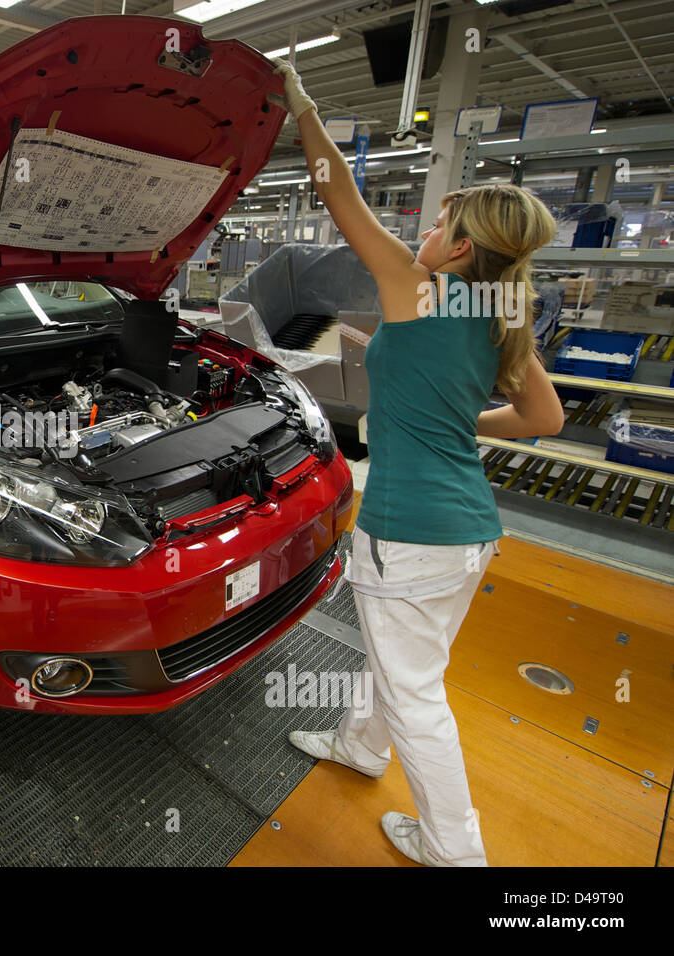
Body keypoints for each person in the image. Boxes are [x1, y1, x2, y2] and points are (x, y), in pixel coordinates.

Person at [270, 60, 565, 866]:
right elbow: (546, 417)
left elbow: (338, 192)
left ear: (461, 245)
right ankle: (361, 748)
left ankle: (454, 852)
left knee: (417, 696)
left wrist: (303, 107)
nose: (424, 232)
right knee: (403, 662)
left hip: (410, 535)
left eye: (438, 223)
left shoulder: (418, 285)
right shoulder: (503, 314)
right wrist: (461, 423)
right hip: (468, 533)